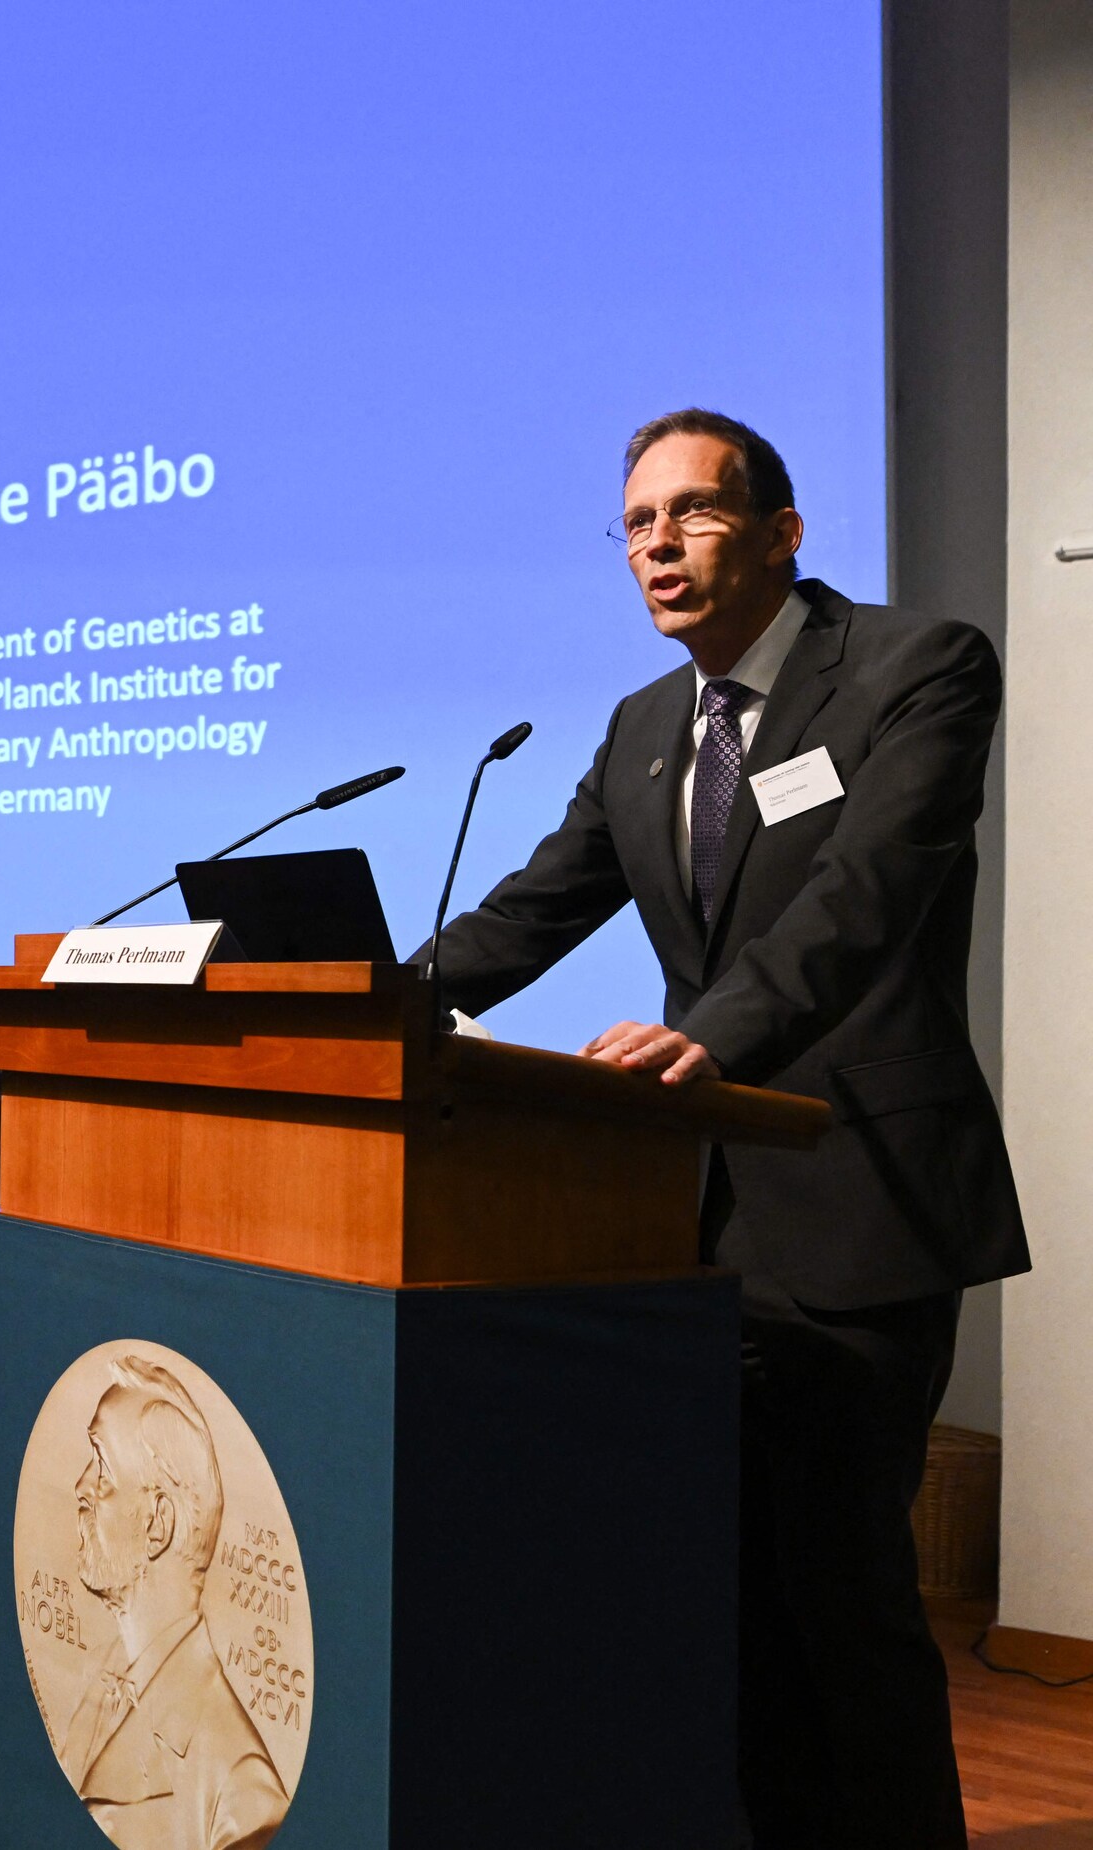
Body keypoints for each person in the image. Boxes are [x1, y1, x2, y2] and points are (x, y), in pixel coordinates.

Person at [420, 409, 1029, 1850]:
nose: (658, 546)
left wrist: (716, 1031)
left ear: (780, 532)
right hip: (689, 1222)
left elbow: (865, 894)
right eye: (636, 523)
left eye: (691, 512)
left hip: (855, 1189)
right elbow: (530, 912)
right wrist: (364, 1006)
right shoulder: (645, 728)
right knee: (730, 1593)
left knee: (844, 1595)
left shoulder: (916, 665)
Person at [60, 1354, 288, 1850]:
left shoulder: (242, 1794)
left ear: (158, 1524)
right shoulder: (99, 1689)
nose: (81, 1487)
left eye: (101, 1467)